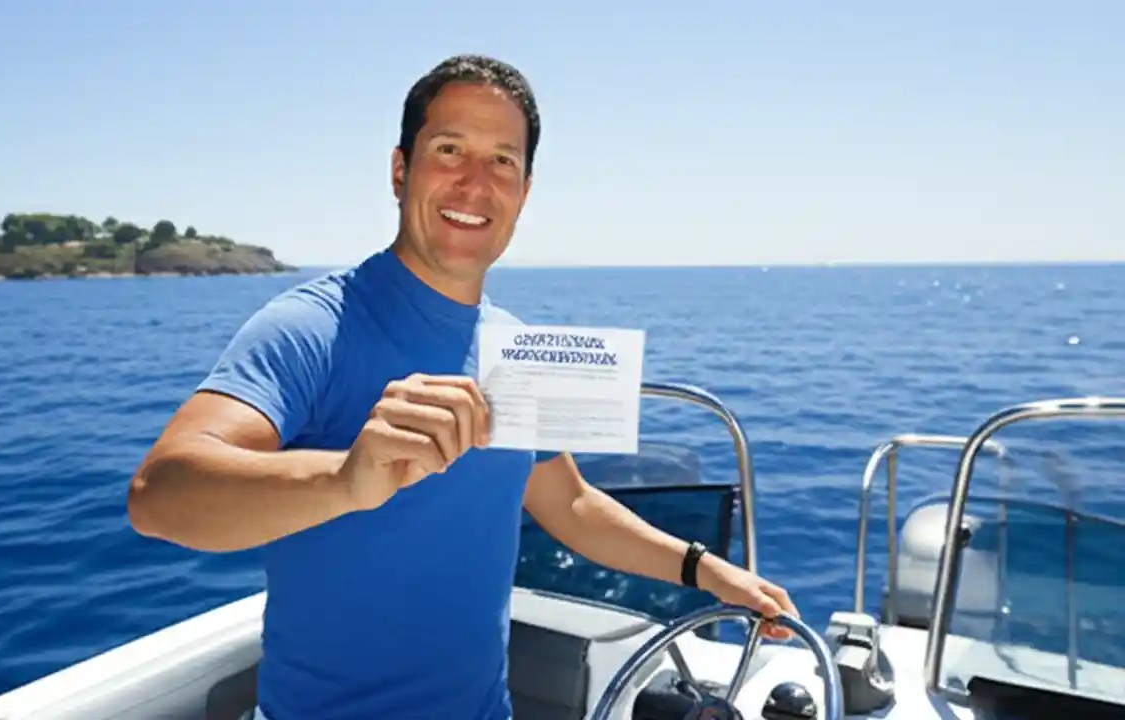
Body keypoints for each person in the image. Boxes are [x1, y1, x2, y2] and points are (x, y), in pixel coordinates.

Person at [127, 54, 798, 720]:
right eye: (450, 150)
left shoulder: (513, 344)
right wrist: (343, 480)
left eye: (502, 160)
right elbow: (159, 497)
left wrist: (706, 571)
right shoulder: (311, 326)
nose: (475, 184)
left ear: (524, 191)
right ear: (400, 171)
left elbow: (572, 506)